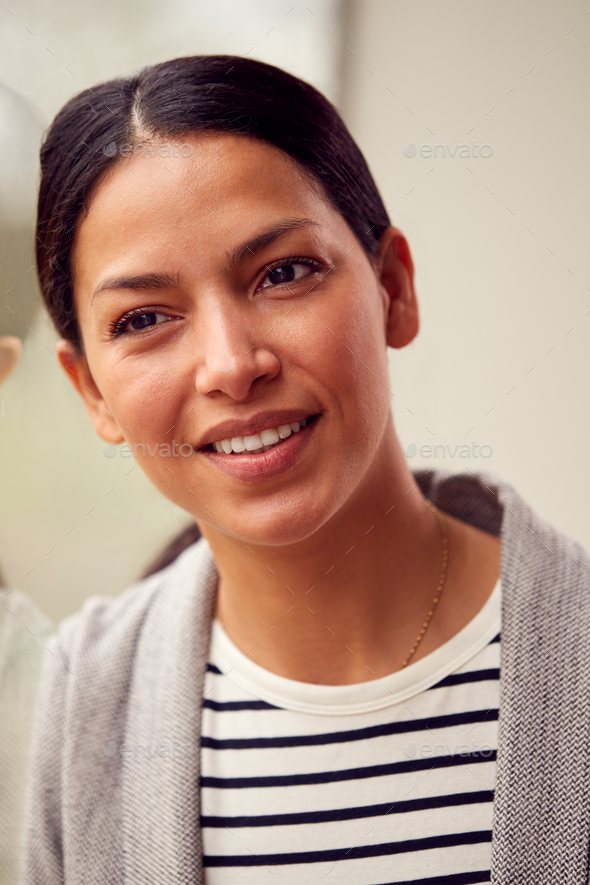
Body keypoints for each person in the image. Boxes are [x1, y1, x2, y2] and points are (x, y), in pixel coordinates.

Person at [21, 56, 590, 885]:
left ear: (393, 287)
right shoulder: (78, 699)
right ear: (91, 392)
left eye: (283, 272)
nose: (230, 364)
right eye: (144, 318)